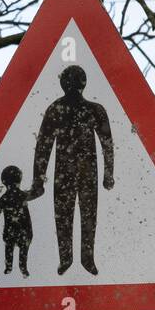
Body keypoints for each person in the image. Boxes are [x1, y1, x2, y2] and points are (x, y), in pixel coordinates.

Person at [30, 65, 114, 276]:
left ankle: (84, 259)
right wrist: (38, 181)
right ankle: (68, 259)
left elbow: (107, 144)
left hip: (82, 172)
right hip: (69, 173)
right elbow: (44, 146)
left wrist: (108, 173)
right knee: (70, 216)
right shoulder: (59, 109)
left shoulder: (90, 109)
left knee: (80, 216)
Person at [0, 165, 35, 278]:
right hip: (24, 229)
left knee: (9, 249)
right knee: (23, 250)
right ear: (19, 179)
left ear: (4, 182)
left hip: (11, 230)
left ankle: (9, 267)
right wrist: (40, 189)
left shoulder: (5, 197)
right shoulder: (22, 195)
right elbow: (35, 194)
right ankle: (22, 267)